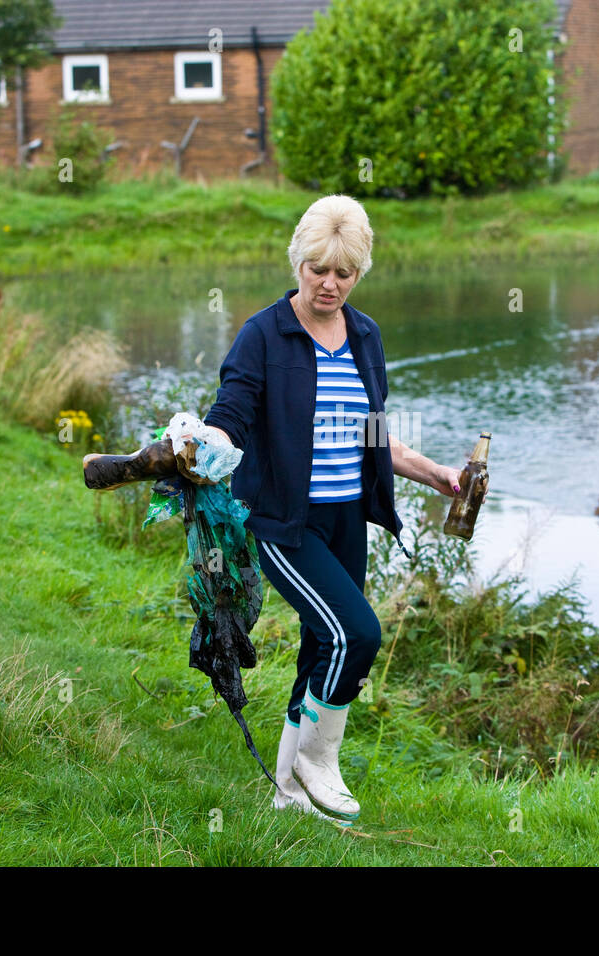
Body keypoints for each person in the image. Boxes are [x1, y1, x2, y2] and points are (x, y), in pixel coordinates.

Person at [192, 195, 462, 822]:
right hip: (285, 522)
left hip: (347, 520)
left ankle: (288, 798)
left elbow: (372, 434)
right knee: (357, 633)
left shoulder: (365, 336)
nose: (330, 284)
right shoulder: (264, 335)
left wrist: (437, 475)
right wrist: (205, 442)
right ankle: (318, 761)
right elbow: (231, 415)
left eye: (344, 272)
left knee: (322, 645)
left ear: (358, 273)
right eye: (319, 269)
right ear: (299, 263)